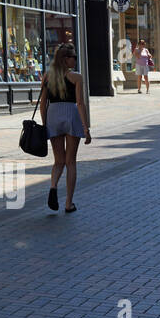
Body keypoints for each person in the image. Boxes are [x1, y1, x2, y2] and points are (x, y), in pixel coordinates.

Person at [39, 43, 91, 214]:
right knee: (71, 162)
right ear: (65, 59)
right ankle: (69, 203)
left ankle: (53, 186)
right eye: (73, 57)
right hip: (71, 115)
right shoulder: (76, 77)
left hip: (53, 115)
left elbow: (43, 103)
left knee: (58, 161)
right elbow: (80, 103)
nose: (75, 60)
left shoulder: (47, 77)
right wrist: (86, 127)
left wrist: (45, 124)